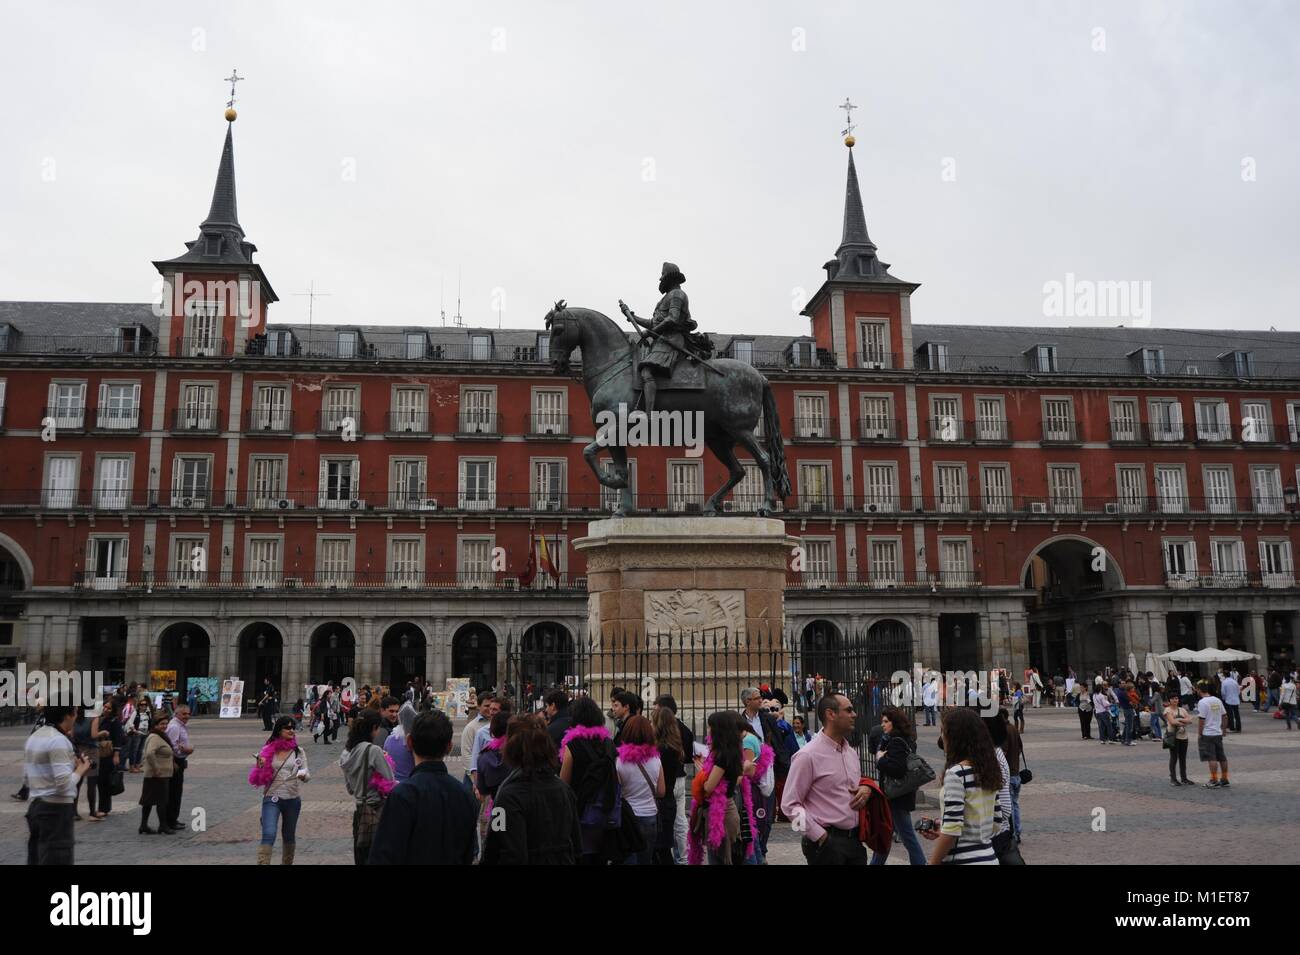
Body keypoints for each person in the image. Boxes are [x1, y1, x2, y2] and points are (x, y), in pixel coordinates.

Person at [368, 710, 477, 865]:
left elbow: (383, 855)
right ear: (449, 747)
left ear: (409, 742)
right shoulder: (465, 795)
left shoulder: (402, 795)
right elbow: (469, 852)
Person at [780, 693, 871, 866]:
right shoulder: (807, 755)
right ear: (831, 714)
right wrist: (819, 836)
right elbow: (789, 805)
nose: (855, 714)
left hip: (854, 841)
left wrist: (866, 789)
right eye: (849, 710)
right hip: (826, 843)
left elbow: (852, 787)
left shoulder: (850, 752)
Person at [482, 715, 582, 865]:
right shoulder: (564, 790)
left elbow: (497, 844)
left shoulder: (506, 796)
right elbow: (576, 844)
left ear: (511, 746)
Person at [920, 707, 1002, 865]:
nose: (941, 737)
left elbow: (952, 830)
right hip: (989, 857)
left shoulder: (956, 774)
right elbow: (996, 822)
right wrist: (944, 828)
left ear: (955, 737)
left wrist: (932, 862)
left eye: (943, 732)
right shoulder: (988, 770)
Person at [619, 261, 696, 417]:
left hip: (673, 340)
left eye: (662, 276)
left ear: (669, 278)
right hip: (662, 340)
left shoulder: (677, 295)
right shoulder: (665, 298)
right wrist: (633, 317)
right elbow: (653, 323)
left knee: (647, 370)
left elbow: (673, 319)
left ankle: (648, 415)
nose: (660, 280)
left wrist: (650, 332)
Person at [25, 706, 92, 864]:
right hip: (55, 811)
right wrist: (80, 770)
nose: (76, 716)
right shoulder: (58, 740)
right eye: (75, 712)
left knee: (37, 858)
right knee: (57, 859)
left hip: (37, 806)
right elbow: (64, 785)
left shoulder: (36, 736)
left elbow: (27, 778)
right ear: (67, 715)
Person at [558, 696, 620, 864]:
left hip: (581, 812)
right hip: (605, 811)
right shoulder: (609, 744)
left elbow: (564, 784)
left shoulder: (572, 746)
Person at [248, 716, 310, 864]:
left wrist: (303, 776)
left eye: (293, 727)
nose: (292, 730)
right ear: (279, 730)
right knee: (269, 833)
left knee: (289, 836)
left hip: (292, 799)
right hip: (272, 798)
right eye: (288, 728)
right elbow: (259, 779)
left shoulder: (298, 752)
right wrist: (261, 766)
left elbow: (307, 774)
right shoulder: (267, 750)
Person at [871, 706, 927, 865]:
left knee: (907, 837)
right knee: (886, 836)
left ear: (895, 723)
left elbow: (897, 769)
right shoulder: (899, 739)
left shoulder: (896, 742)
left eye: (886, 721)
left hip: (896, 798)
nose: (882, 725)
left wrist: (880, 759)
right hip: (896, 796)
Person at [689, 711, 747, 865]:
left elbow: (708, 787)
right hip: (727, 809)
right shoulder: (732, 752)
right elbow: (736, 779)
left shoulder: (722, 757)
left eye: (710, 728)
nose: (708, 731)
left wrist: (702, 771)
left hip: (721, 814)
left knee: (720, 858)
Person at [339, 709, 396, 864]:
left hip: (359, 813)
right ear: (373, 728)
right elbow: (390, 781)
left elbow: (350, 789)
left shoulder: (347, 753)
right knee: (378, 856)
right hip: (376, 810)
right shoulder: (373, 751)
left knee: (361, 857)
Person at [614, 714, 665, 865]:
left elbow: (616, 791)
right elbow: (661, 791)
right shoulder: (656, 759)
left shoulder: (620, 762)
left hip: (628, 818)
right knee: (645, 859)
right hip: (649, 816)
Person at [653, 693, 696, 864]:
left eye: (656, 708)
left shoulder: (661, 736)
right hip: (678, 777)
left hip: (669, 781)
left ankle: (680, 856)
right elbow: (688, 755)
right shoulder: (683, 729)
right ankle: (684, 857)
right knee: (680, 821)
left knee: (673, 821)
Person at [650, 703, 684, 865]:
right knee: (662, 848)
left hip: (661, 802)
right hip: (669, 800)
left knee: (660, 850)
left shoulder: (661, 750)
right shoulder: (675, 746)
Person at [139, 713, 176, 834]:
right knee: (161, 801)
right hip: (157, 775)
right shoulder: (155, 737)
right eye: (161, 724)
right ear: (155, 725)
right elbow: (150, 753)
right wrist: (156, 768)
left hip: (157, 774)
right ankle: (163, 826)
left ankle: (144, 825)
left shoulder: (161, 736)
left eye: (166, 723)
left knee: (149, 800)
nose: (164, 726)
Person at [94, 696, 125, 819]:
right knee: (100, 781)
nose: (106, 709)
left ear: (113, 710)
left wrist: (116, 755)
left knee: (105, 781)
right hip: (100, 753)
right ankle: (103, 807)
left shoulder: (114, 722)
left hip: (109, 754)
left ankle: (104, 808)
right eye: (105, 707)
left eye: (109, 708)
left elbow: (118, 739)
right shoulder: (102, 719)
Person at [164, 703, 193, 830]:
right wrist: (187, 750)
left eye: (188, 713)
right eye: (184, 714)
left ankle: (173, 818)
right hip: (174, 762)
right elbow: (173, 747)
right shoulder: (175, 726)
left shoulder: (180, 725)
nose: (187, 716)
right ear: (177, 714)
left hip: (178, 761)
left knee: (176, 792)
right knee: (173, 792)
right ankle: (170, 820)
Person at [1195, 681, 1229, 788]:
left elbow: (1201, 720)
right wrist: (1223, 730)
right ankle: (1224, 778)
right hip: (1217, 733)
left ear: (1199, 690)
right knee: (1222, 757)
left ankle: (1214, 779)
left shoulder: (1202, 702)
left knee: (1212, 758)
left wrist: (1200, 733)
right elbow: (1225, 716)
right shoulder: (1217, 700)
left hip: (1208, 733)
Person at [383, 701, 418, 784]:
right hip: (411, 783)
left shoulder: (390, 738)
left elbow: (385, 758)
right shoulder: (416, 740)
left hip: (393, 783)